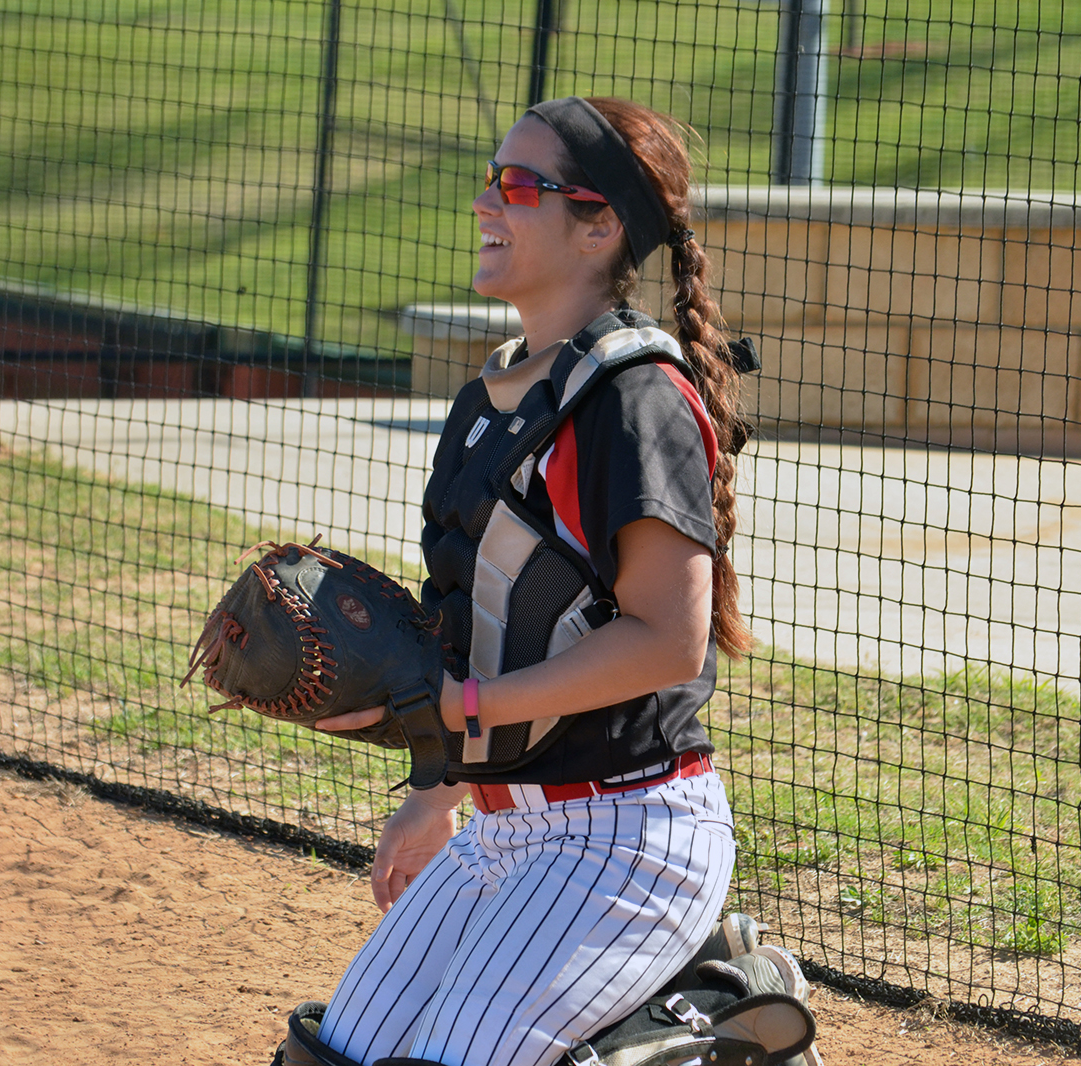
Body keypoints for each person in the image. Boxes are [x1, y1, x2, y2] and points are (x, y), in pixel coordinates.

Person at [309, 95, 756, 1066]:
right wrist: (436, 785)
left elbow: (669, 639)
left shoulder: (633, 399)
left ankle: (704, 1031)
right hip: (502, 830)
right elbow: (468, 617)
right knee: (335, 1053)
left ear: (599, 227)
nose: (485, 201)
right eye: (490, 178)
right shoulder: (492, 394)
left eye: (517, 185)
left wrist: (465, 711)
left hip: (629, 833)